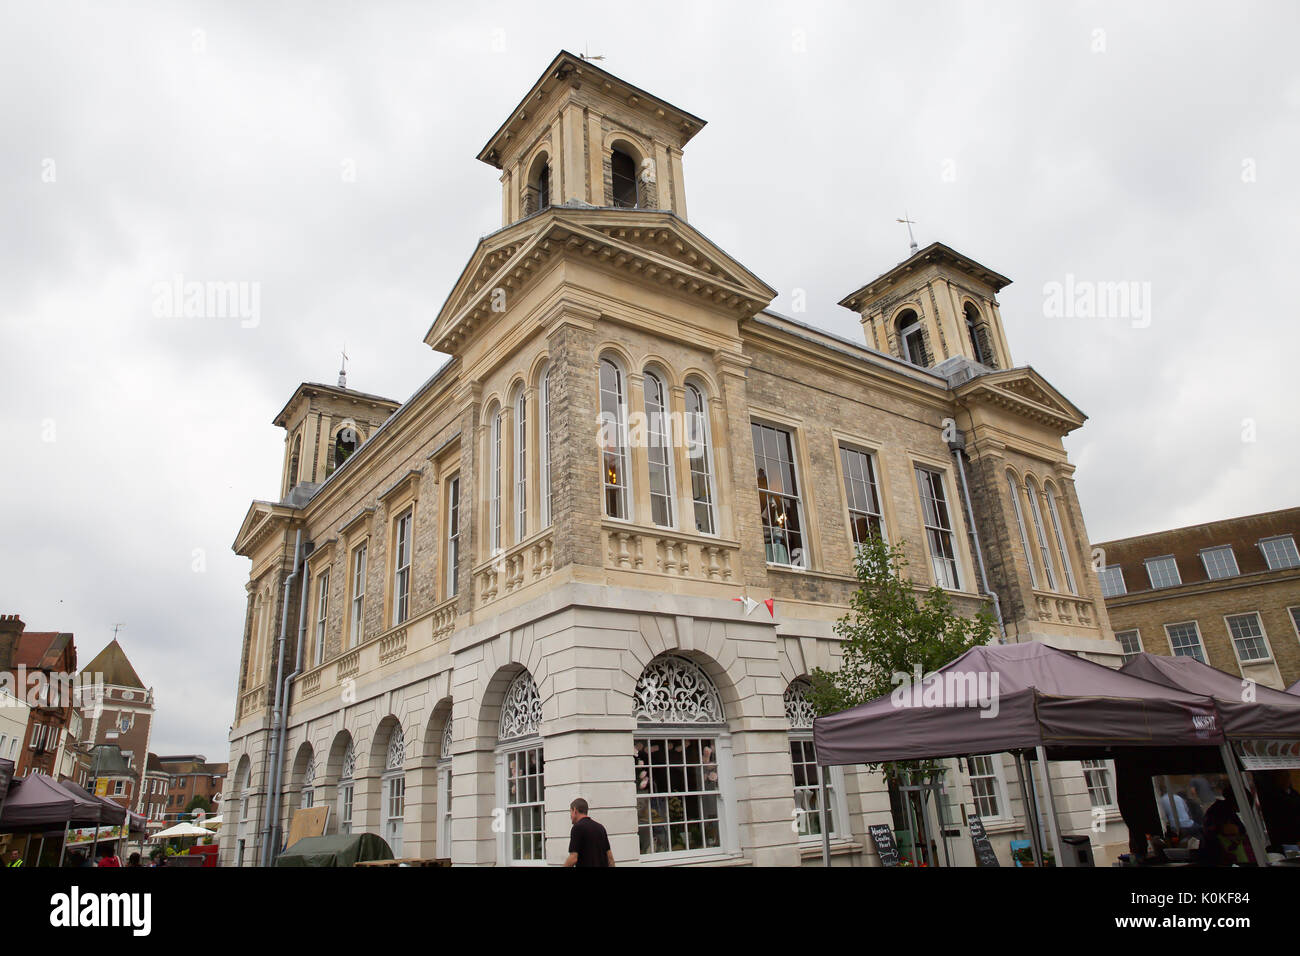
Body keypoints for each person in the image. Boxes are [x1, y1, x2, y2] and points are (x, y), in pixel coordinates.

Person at [564, 797, 614, 868]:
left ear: (575, 810)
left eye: (570, 812)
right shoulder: (601, 828)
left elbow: (573, 858)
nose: (570, 816)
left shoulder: (577, 828)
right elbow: (610, 858)